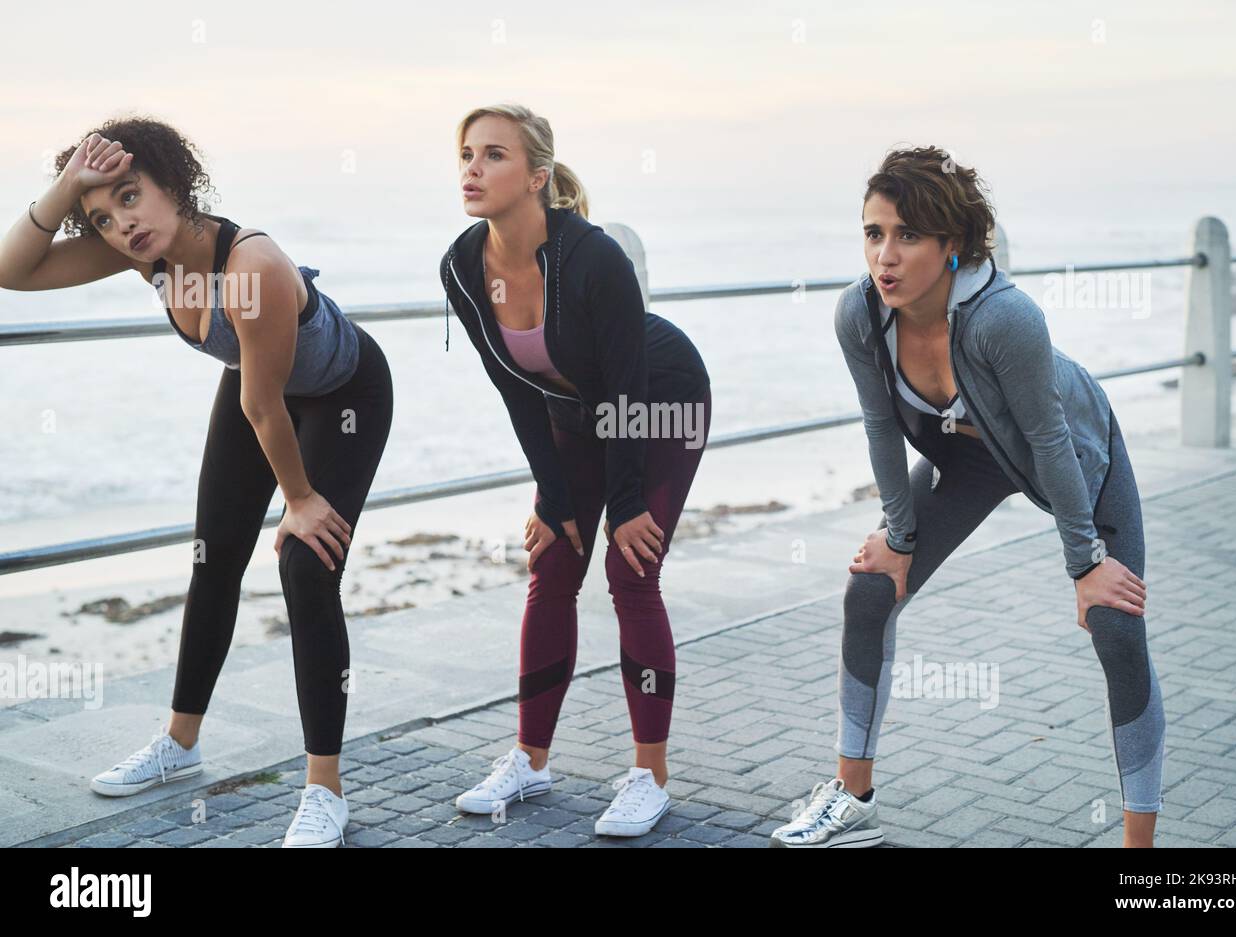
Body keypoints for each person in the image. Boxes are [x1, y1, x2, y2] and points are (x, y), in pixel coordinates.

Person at [0, 118, 393, 847]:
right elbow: (11, 269)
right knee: (213, 558)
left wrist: (302, 502)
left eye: (130, 195)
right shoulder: (139, 253)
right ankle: (180, 744)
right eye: (102, 217)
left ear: (175, 183)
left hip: (343, 394)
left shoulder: (253, 264)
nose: (121, 224)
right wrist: (65, 189)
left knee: (307, 566)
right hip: (259, 389)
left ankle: (324, 789)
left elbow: (264, 405)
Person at [770, 145, 1164, 848]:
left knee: (1115, 626)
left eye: (908, 235)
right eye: (873, 233)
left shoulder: (1002, 319)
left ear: (951, 245)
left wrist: (1085, 562)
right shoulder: (860, 314)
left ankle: (1140, 853)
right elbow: (879, 425)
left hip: (1077, 459)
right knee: (869, 591)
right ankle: (854, 801)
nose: (884, 256)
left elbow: (1048, 442)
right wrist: (899, 536)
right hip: (967, 460)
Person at [438, 104, 711, 837]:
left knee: (630, 568)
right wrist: (554, 494)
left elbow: (626, 387)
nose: (472, 167)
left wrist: (625, 503)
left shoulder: (592, 259)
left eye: (493, 155)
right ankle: (530, 759)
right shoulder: (462, 266)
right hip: (570, 413)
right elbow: (514, 385)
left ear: (536, 176)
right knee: (552, 560)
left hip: (659, 398)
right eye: (466, 153)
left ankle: (648, 776)